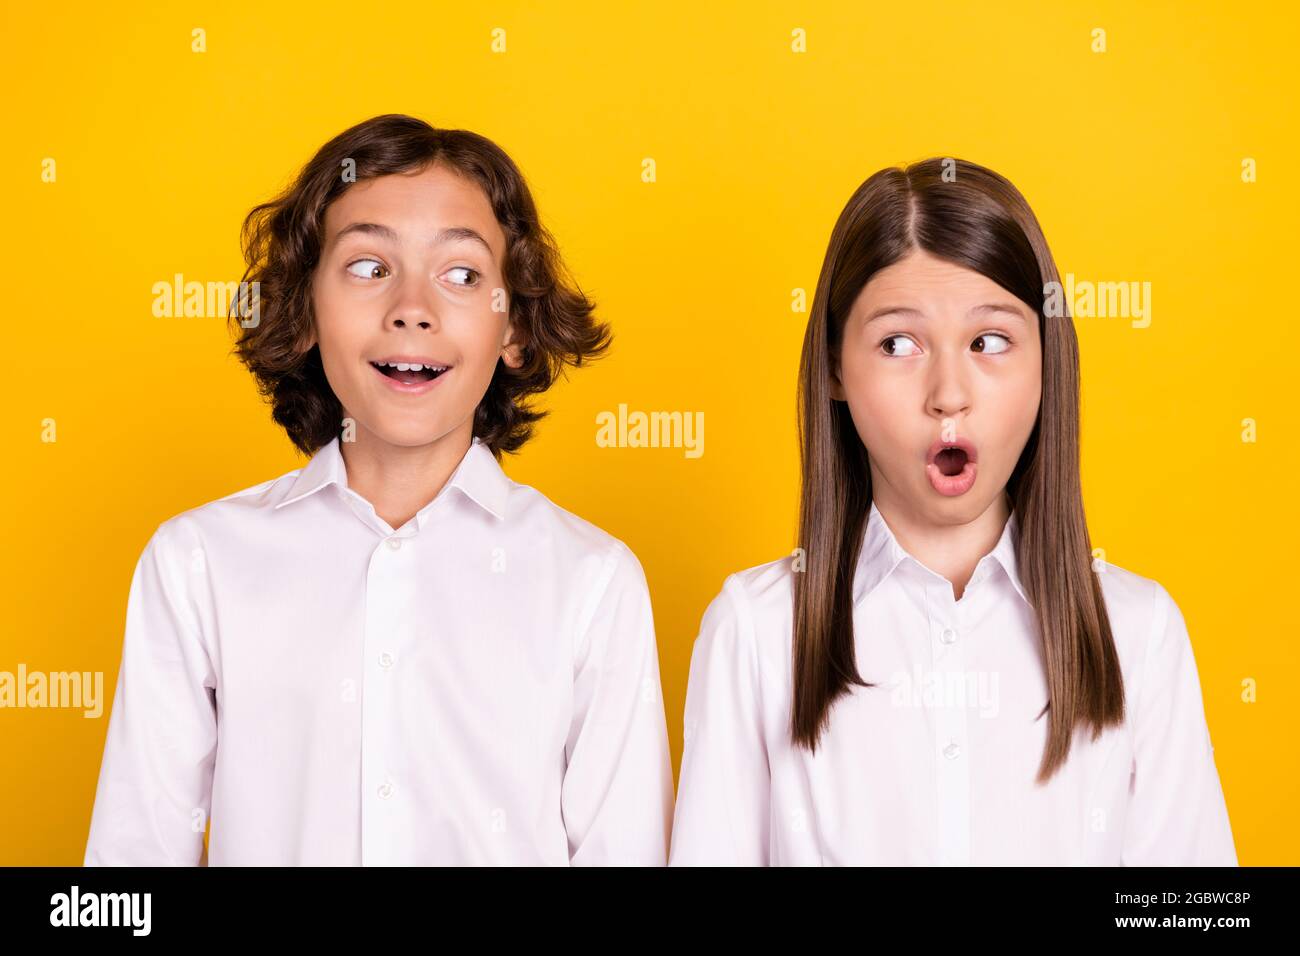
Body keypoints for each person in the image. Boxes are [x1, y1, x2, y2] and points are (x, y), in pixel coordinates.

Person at [85, 114, 674, 866]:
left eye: (462, 274)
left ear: (514, 327)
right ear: (303, 312)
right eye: (369, 266)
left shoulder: (593, 583)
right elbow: (132, 865)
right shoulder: (198, 563)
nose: (412, 307)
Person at [669, 158, 1236, 866]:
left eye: (988, 341)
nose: (948, 394)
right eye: (897, 344)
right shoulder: (753, 634)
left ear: (1046, 361)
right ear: (836, 368)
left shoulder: (1140, 634)